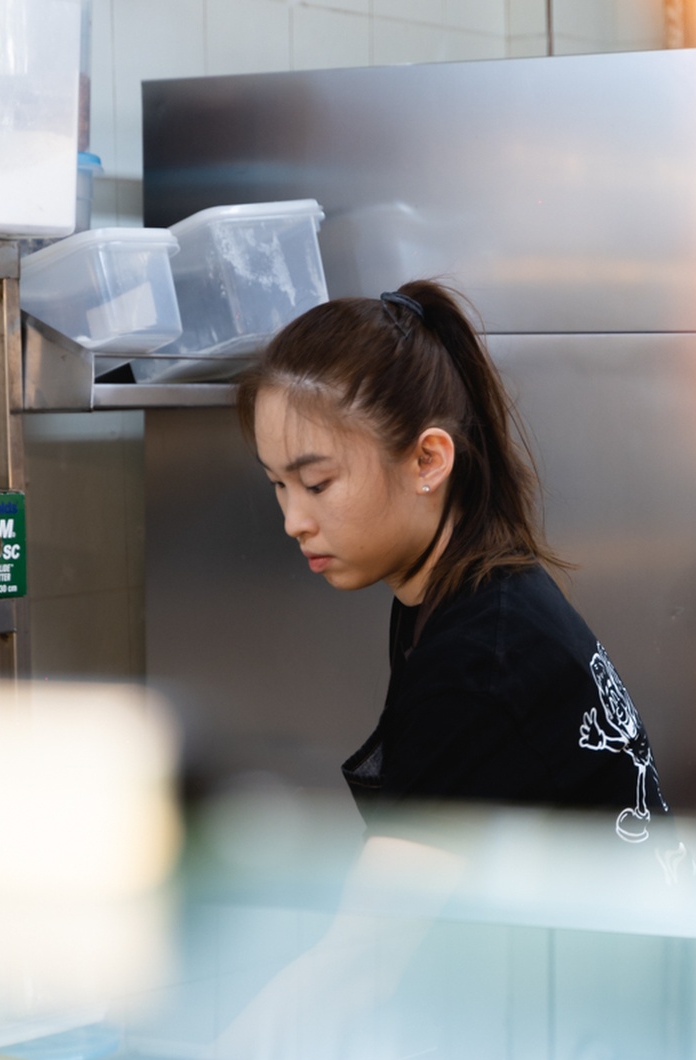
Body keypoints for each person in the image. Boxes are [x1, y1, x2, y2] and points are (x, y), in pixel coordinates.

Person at [237, 279, 669, 847]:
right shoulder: (461, 595)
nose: (294, 521)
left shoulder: (479, 665)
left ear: (427, 460)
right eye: (279, 484)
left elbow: (390, 903)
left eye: (317, 483)